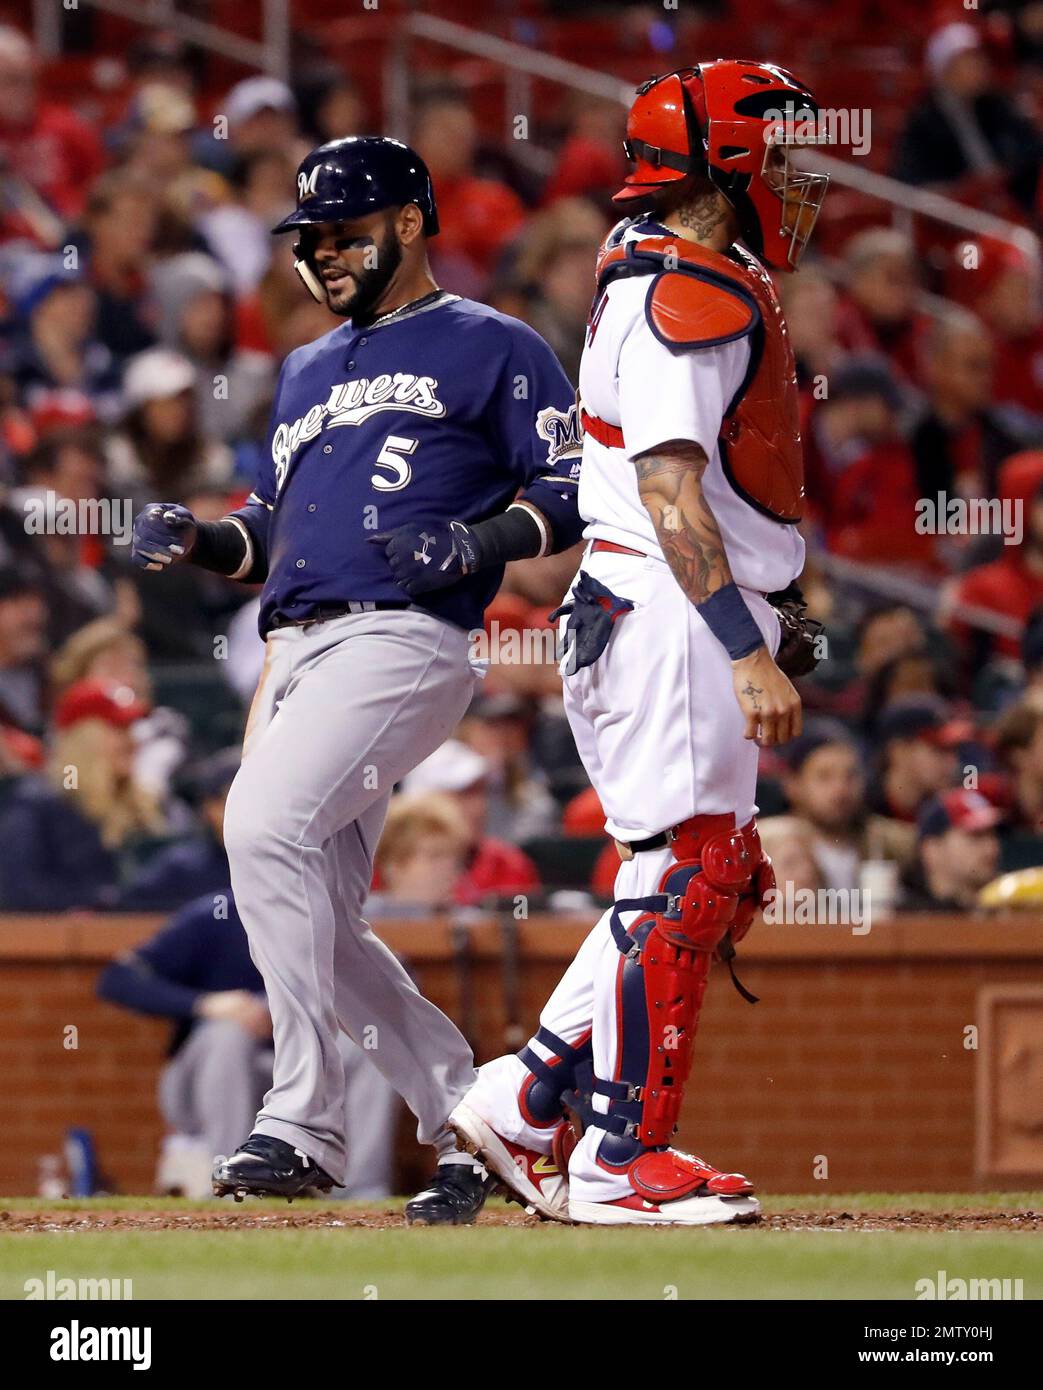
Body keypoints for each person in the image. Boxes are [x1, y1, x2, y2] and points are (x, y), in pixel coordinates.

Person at [130, 136, 584, 1224]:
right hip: (290, 648)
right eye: (310, 237)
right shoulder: (303, 367)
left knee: (261, 831)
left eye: (345, 230)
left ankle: (301, 1117)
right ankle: (476, 1116)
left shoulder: (494, 343)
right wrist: (198, 538)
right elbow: (266, 534)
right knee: (315, 921)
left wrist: (479, 545)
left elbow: (573, 490)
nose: (323, 253)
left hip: (401, 637)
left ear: (412, 222)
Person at [448, 61, 828, 1226]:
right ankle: (615, 1155)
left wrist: (766, 611)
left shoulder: (675, 274)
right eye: (770, 153)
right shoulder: (686, 293)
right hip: (663, 609)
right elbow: (668, 487)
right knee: (688, 873)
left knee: (695, 871)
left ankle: (524, 1099)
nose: (791, 175)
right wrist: (740, 640)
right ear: (719, 163)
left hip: (655, 609)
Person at [98, 891, 398, 1199]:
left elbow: (397, 989)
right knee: (230, 1033)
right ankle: (236, 1183)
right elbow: (118, 979)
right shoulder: (221, 913)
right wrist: (207, 1003)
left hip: (296, 1074)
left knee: (369, 1043)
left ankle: (359, 1190)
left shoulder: (334, 915)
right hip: (204, 1081)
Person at [780, 720, 915, 892]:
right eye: (824, 777)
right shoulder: (770, 845)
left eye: (851, 776)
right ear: (792, 785)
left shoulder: (893, 844)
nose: (840, 789)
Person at [401, 739, 542, 902]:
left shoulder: (508, 864)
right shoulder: (376, 862)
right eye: (463, 794)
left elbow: (529, 924)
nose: (480, 808)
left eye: (481, 792)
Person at [367, 792, 471, 917]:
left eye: (455, 859)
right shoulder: (356, 924)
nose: (449, 869)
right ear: (393, 864)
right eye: (435, 856)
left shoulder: (473, 927)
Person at [900, 789, 1002, 910]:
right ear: (931, 850)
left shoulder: (1008, 911)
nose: (992, 848)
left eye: (993, 835)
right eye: (976, 836)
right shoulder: (902, 918)